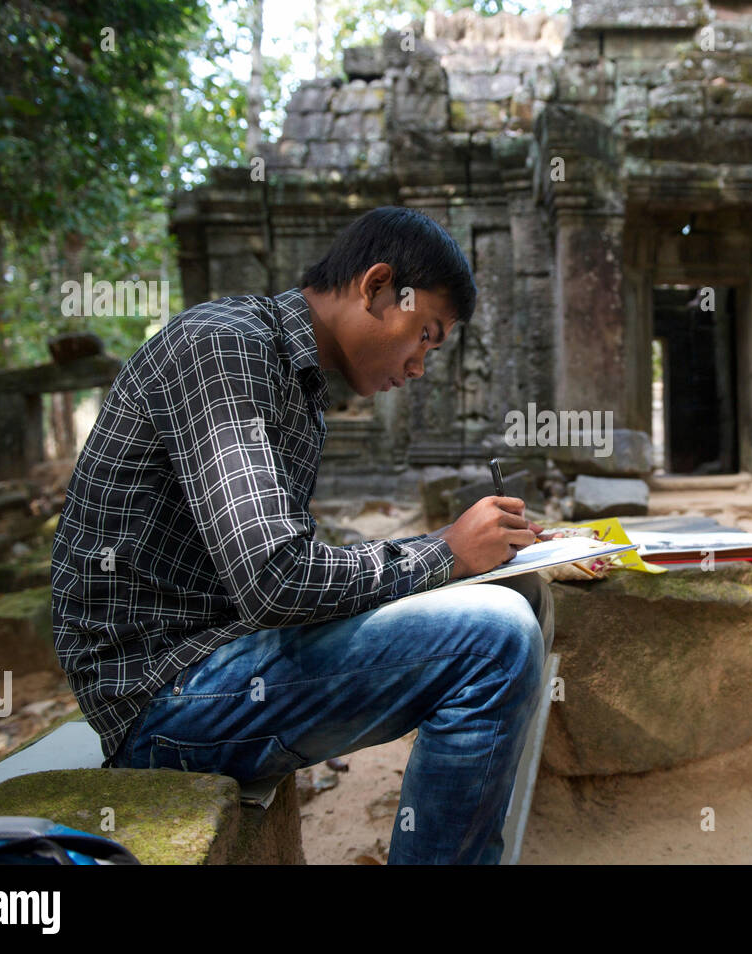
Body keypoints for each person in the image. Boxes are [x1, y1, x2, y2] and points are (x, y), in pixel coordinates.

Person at [50, 206, 553, 865]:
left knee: (523, 595)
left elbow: (289, 573)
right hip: (160, 698)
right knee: (495, 639)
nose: (421, 364)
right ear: (376, 287)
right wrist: (445, 551)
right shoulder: (226, 347)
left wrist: (468, 553)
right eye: (424, 335)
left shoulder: (297, 381)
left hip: (227, 656)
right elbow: (274, 579)